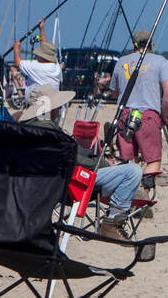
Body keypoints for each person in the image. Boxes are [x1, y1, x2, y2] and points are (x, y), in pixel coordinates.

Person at [15, 86, 143, 240]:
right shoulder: (48, 130)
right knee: (133, 171)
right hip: (73, 183)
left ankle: (123, 207)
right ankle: (112, 222)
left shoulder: (27, 129)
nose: (60, 108)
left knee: (123, 172)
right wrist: (104, 163)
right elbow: (74, 156)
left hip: (47, 184)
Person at [108, 30, 168, 189]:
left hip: (125, 114)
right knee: (152, 160)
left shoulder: (121, 61)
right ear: (151, 45)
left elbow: (115, 92)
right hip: (148, 115)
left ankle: (127, 195)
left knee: (127, 160)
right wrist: (163, 114)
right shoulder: (160, 61)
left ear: (133, 45)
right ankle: (144, 191)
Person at [12, 21, 61, 93]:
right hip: (53, 101)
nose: (37, 56)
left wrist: (16, 48)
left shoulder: (36, 67)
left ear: (42, 57)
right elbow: (45, 46)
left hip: (38, 102)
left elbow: (18, 63)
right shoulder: (56, 66)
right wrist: (41, 29)